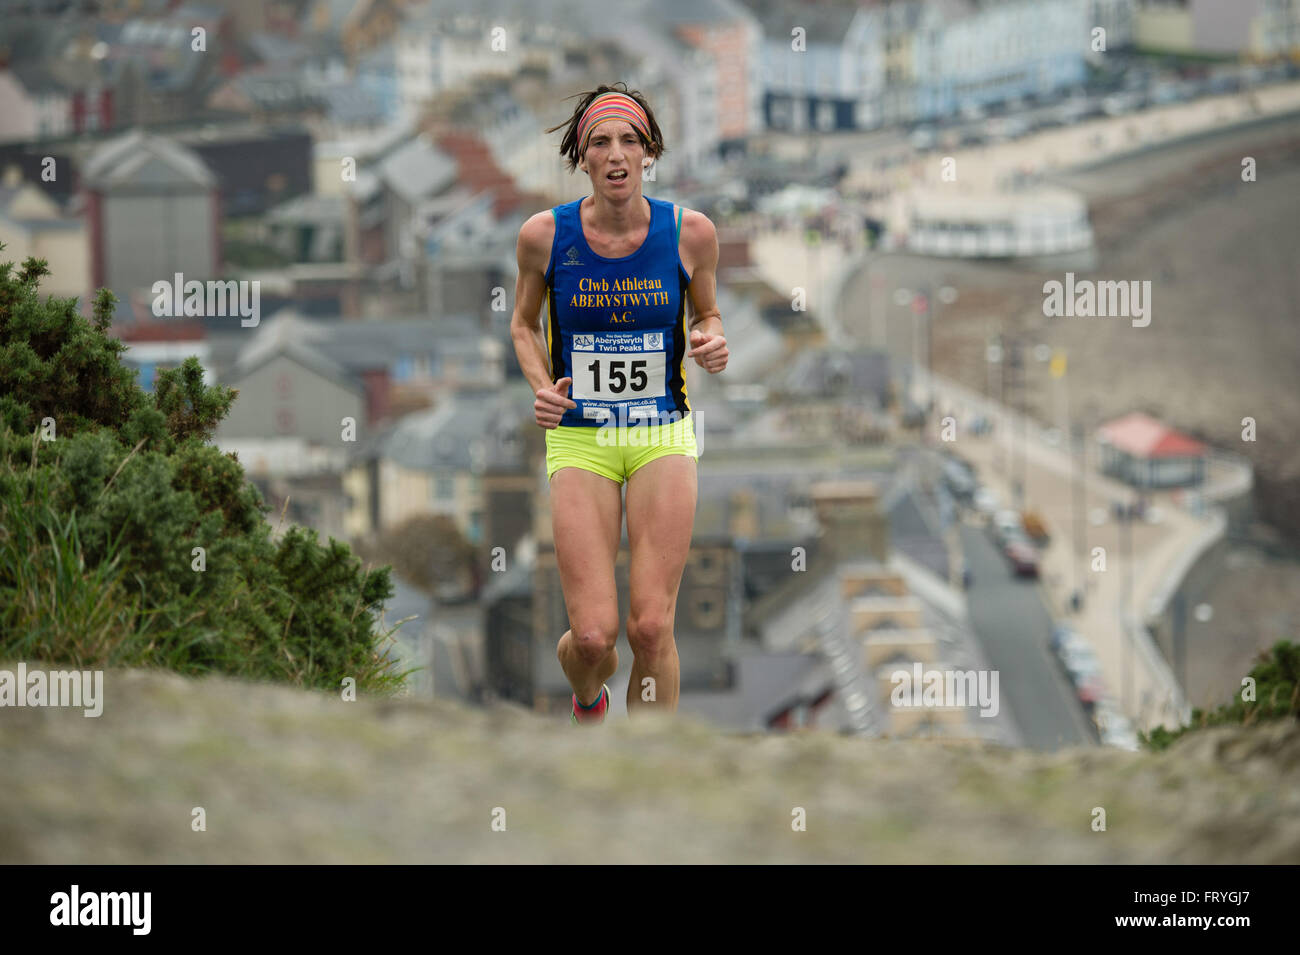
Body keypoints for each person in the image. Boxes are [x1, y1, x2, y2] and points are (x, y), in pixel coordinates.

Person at [510, 83, 728, 724]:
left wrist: (711, 341)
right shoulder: (543, 236)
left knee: (651, 628)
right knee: (594, 639)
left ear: (649, 152)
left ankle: (649, 770)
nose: (615, 154)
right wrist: (541, 388)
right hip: (581, 439)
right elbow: (523, 326)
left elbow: (709, 313)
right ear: (581, 156)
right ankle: (588, 699)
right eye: (599, 141)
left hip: (662, 431)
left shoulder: (692, 234)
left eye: (629, 140)